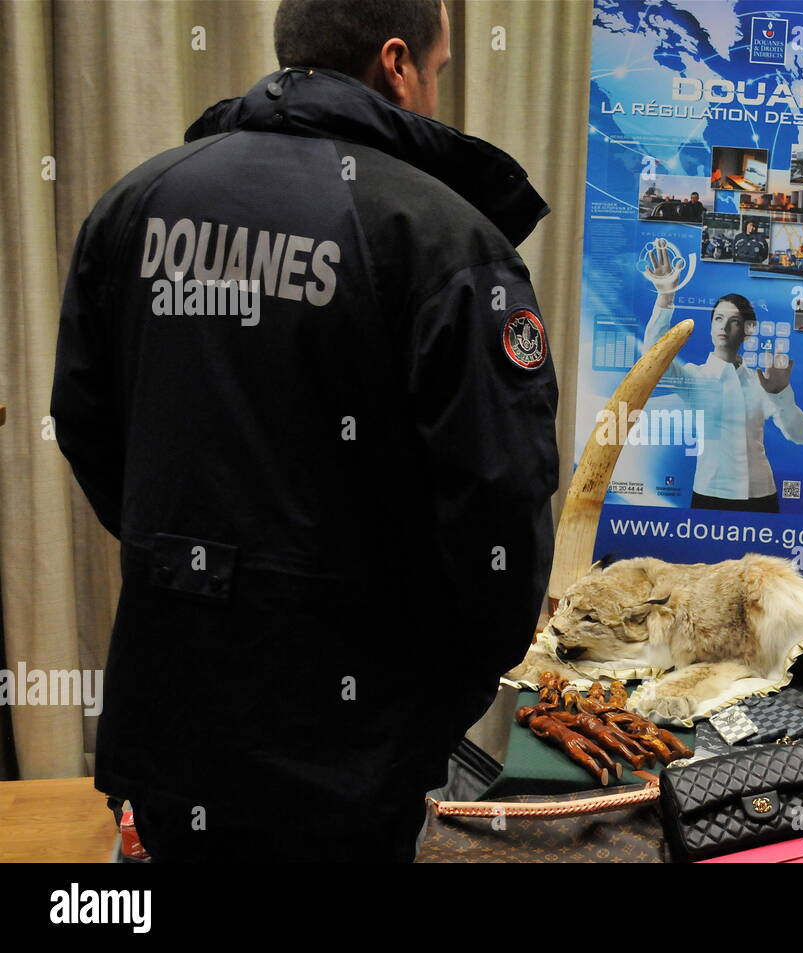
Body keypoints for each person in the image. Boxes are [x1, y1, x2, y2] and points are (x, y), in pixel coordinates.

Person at [50, 0, 558, 862]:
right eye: (436, 72)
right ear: (396, 65)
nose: (434, 94)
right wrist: (440, 693)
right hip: (350, 745)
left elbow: (89, 428)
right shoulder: (443, 239)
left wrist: (188, 570)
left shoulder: (135, 205)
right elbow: (500, 509)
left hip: (178, 711)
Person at [641, 239, 803, 512]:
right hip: (710, 494)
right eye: (718, 319)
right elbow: (652, 360)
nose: (724, 327)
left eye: (734, 321)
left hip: (761, 496)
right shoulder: (694, 377)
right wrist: (665, 298)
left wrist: (781, 396)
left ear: (748, 329)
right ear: (710, 328)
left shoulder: (762, 382)